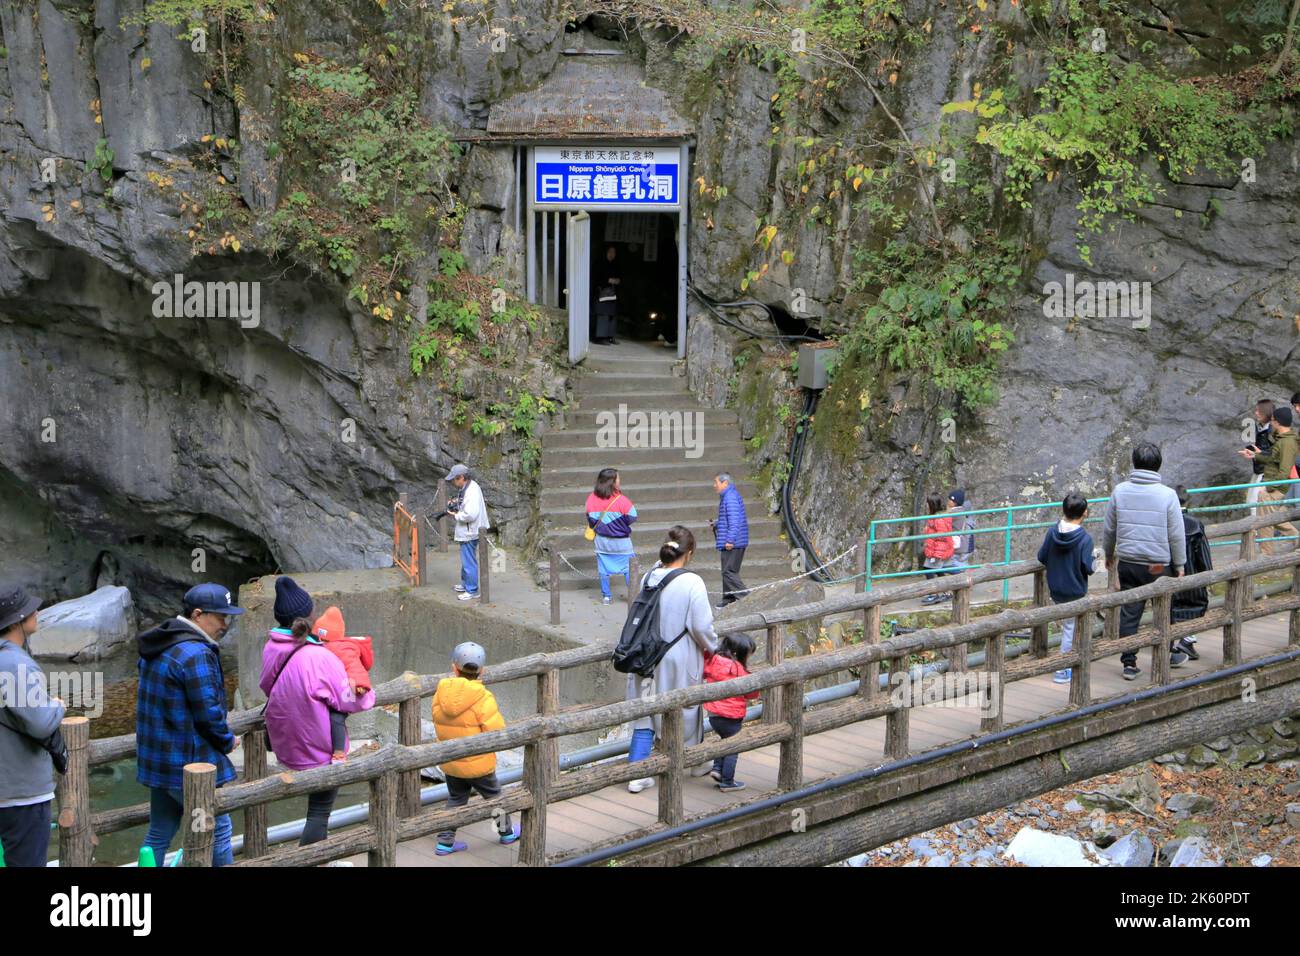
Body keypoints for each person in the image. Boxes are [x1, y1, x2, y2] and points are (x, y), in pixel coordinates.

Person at [260, 578, 375, 846]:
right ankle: (311, 860)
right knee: (319, 812)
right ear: (309, 615)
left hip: (286, 741)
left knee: (316, 810)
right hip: (318, 747)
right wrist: (369, 694)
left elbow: (267, 685)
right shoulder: (318, 656)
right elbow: (347, 699)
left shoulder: (271, 647)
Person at [136, 583, 243, 866]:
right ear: (198, 614)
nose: (225, 624)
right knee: (218, 831)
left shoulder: (160, 642)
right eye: (221, 616)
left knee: (159, 832)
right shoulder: (195, 653)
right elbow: (208, 713)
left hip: (159, 761)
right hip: (190, 766)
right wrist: (227, 741)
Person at [626, 526, 720, 793]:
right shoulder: (692, 582)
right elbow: (701, 627)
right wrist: (713, 647)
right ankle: (696, 761)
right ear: (688, 554)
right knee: (687, 708)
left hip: (645, 656)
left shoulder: (649, 576)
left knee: (645, 712)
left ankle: (637, 772)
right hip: (678, 657)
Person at [1101, 442, 1188, 681]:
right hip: (1158, 565)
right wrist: (1180, 564)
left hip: (1128, 562)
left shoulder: (1120, 491)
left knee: (1130, 612)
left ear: (1134, 463)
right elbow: (1176, 534)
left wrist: (1109, 555)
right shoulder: (1168, 495)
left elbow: (1109, 528)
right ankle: (1168, 652)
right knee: (1164, 608)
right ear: (1158, 465)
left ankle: (1129, 663)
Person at [430, 642, 520, 855]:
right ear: (482, 670)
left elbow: (436, 719)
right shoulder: (483, 697)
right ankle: (506, 832)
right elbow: (496, 730)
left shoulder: (441, 693)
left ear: (454, 668)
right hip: (478, 763)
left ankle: (445, 841)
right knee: (494, 797)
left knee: (456, 799)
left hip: (451, 761)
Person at [0, 586, 66, 867]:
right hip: (21, 794)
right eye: (31, 609)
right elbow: (40, 724)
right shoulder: (15, 664)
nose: (37, 612)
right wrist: (58, 706)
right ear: (16, 621)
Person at [1036, 493, 1096, 684]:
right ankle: (1063, 669)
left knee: (1069, 627)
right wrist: (1096, 559)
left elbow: (1041, 556)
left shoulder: (1052, 532)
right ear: (1085, 512)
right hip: (1075, 590)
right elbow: (1089, 568)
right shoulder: (1085, 539)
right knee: (1071, 628)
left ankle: (1067, 663)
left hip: (1056, 589)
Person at [311, 605, 376, 762]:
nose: (321, 642)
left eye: (324, 639)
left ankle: (339, 752)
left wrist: (360, 685)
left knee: (336, 718)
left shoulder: (342, 649)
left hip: (345, 693)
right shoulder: (319, 646)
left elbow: (354, 667)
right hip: (330, 691)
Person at [703, 633, 759, 792]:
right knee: (733, 746)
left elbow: (704, 670)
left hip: (714, 715)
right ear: (738, 653)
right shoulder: (738, 669)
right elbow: (752, 693)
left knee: (723, 740)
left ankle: (717, 769)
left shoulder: (713, 661)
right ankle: (727, 781)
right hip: (731, 716)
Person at [1240, 404, 1299, 554]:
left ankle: (1267, 554)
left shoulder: (1287, 443)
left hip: (1275, 486)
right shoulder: (1282, 440)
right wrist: (1255, 455)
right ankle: (1297, 539)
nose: (1271, 422)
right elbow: (1273, 460)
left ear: (1278, 422)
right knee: (1277, 518)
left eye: (1272, 420)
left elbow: (1285, 469)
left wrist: (1270, 487)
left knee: (1265, 522)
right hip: (1272, 484)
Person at [1170, 485, 1211, 662]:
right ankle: (1187, 640)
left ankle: (1175, 644)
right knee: (1196, 606)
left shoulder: (1165, 521)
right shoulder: (1194, 524)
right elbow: (1203, 554)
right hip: (1192, 574)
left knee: (1173, 610)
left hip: (1169, 576)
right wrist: (1208, 573)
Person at [586, 468, 638, 606]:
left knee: (603, 569)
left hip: (602, 541)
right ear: (612, 482)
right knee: (629, 568)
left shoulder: (591, 498)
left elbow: (590, 519)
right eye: (618, 479)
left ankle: (606, 597)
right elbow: (633, 517)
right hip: (622, 542)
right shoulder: (622, 500)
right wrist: (619, 522)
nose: (620, 481)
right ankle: (633, 595)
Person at [447, 463, 490, 601]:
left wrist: (455, 515)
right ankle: (466, 584)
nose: (453, 482)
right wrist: (456, 502)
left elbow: (470, 514)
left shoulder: (471, 491)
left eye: (454, 479)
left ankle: (471, 590)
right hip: (471, 530)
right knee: (467, 559)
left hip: (470, 531)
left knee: (469, 561)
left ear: (461, 477)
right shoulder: (469, 486)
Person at [710, 473, 750, 607]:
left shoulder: (730, 497)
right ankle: (728, 599)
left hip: (733, 542)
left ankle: (748, 599)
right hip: (734, 540)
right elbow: (729, 518)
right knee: (728, 571)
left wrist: (730, 540)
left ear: (725, 483)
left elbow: (734, 521)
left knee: (729, 572)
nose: (714, 485)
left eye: (716, 482)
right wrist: (717, 523)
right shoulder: (728, 496)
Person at [920, 492, 957, 606]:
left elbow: (942, 536)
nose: (926, 505)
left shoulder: (938, 519)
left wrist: (936, 554)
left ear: (932, 504)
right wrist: (928, 529)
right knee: (938, 570)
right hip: (935, 549)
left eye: (927, 503)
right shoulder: (936, 517)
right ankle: (946, 592)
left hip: (937, 551)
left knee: (928, 569)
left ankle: (934, 594)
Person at [1245, 399, 1274, 507]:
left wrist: (1257, 454)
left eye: (1259, 411)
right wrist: (1251, 451)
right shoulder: (1261, 428)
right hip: (1258, 470)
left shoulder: (1271, 430)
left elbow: (1276, 453)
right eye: (1255, 410)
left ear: (1266, 412)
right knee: (1250, 503)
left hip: (1266, 473)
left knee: (1255, 504)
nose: (1256, 413)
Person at [593, 245, 621, 345]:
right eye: (610, 252)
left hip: (612, 294)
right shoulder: (599, 263)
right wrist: (608, 280)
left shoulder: (615, 264)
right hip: (602, 293)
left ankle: (610, 336)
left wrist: (617, 280)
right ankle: (600, 338)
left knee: (612, 315)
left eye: (614, 252)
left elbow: (619, 277)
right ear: (606, 252)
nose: (612, 254)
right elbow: (595, 277)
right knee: (603, 315)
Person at [948, 488, 977, 568]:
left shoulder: (955, 513)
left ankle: (969, 572)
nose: (948, 501)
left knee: (951, 563)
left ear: (954, 502)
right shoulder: (965, 514)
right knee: (961, 562)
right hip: (967, 545)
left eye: (950, 500)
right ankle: (968, 574)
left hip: (961, 546)